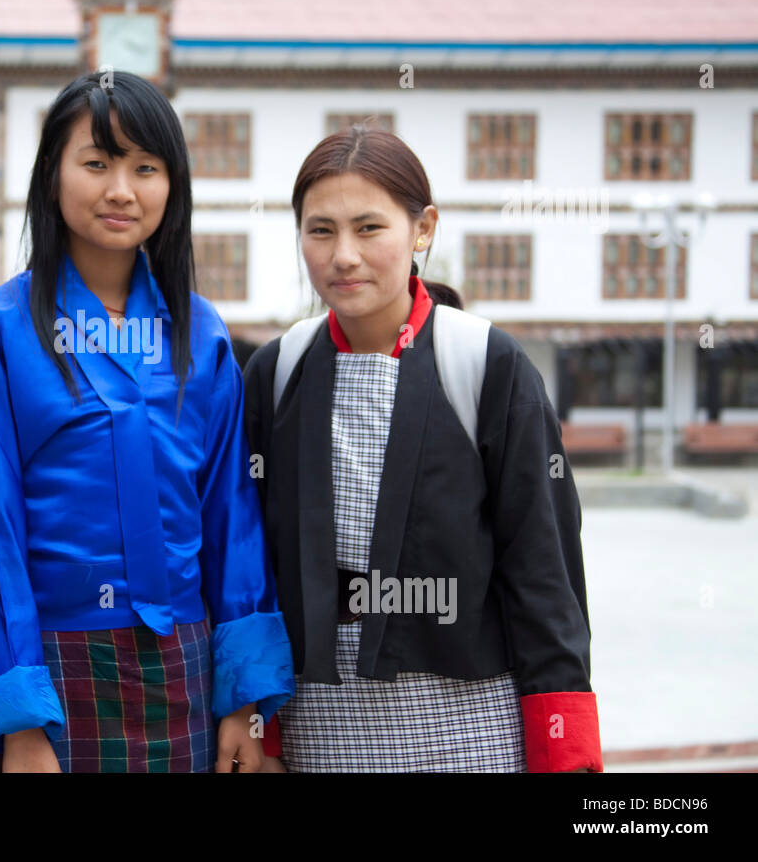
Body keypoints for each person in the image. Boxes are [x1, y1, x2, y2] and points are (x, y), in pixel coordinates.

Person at [0, 70, 294, 773]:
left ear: (173, 184)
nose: (121, 189)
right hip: (54, 667)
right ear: (51, 175)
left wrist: (242, 703)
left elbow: (232, 519)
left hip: (185, 662)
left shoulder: (203, 333)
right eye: (96, 163)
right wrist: (19, 723)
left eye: (145, 167)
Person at [243, 127, 603, 772]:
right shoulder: (277, 373)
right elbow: (253, 567)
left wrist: (564, 749)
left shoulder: (487, 365)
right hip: (316, 736)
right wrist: (256, 726)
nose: (343, 256)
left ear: (422, 229)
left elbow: (543, 571)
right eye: (320, 230)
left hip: (468, 734)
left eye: (368, 228)